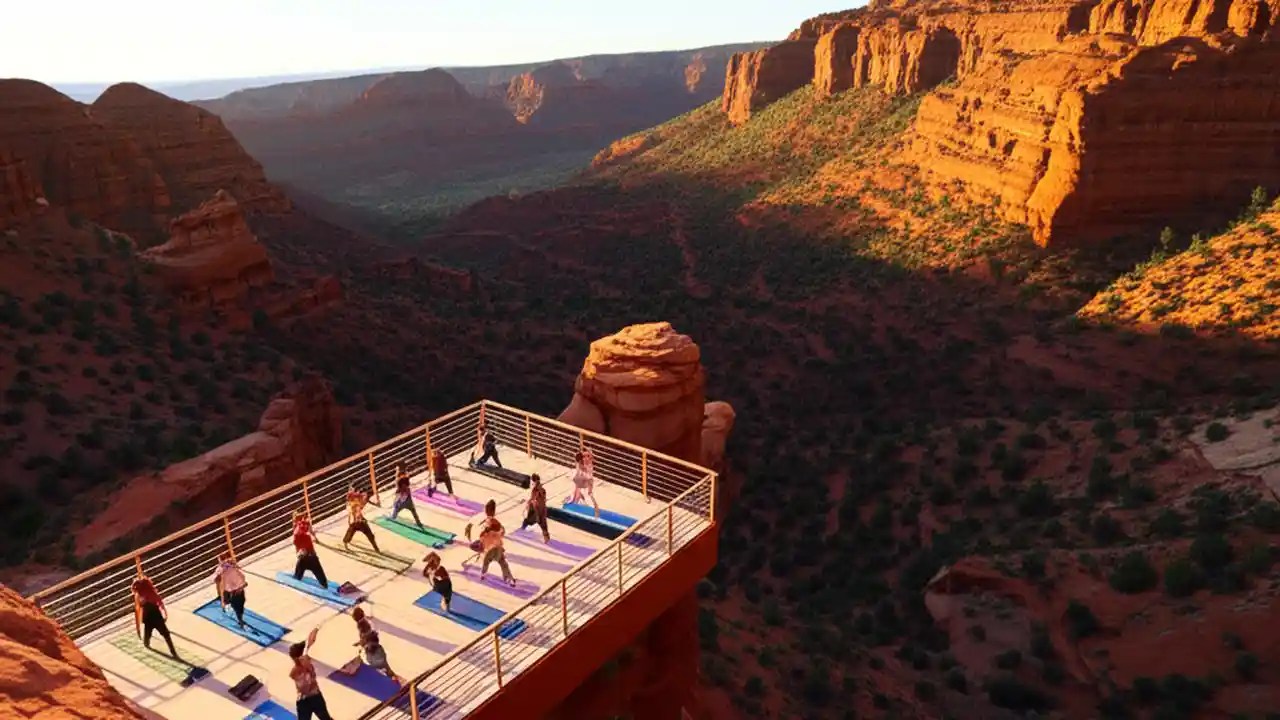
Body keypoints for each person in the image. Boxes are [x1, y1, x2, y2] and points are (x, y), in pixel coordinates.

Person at [290, 628, 333, 720]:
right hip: (313, 697)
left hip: (304, 699)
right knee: (325, 717)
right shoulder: (303, 664)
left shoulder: (295, 670)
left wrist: (314, 631)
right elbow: (309, 642)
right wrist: (315, 630)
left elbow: (308, 643)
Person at [350, 607, 400, 685]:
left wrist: (361, 644)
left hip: (372, 648)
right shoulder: (364, 622)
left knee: (378, 665)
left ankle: (391, 679)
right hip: (374, 645)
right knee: (385, 666)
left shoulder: (361, 625)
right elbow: (366, 635)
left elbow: (365, 636)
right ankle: (393, 678)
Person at [132, 574, 177, 657]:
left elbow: (138, 609)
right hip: (155, 617)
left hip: (149, 618)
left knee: (150, 635)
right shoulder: (149, 593)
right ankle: (173, 651)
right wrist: (164, 614)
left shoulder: (139, 595)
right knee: (166, 635)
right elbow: (160, 603)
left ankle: (148, 644)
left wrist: (138, 626)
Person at [478, 499, 516, 586]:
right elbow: (502, 532)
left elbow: (483, 534)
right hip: (498, 546)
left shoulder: (489, 522)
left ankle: (483, 575)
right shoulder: (497, 523)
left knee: (486, 561)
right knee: (503, 563)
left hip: (491, 548)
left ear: (487, 511)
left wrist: (483, 538)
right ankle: (509, 578)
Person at [292, 510, 330, 589]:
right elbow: (305, 532)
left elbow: (298, 541)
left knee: (297, 577)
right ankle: (324, 584)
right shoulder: (300, 528)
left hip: (305, 557)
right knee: (323, 581)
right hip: (309, 557)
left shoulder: (300, 528)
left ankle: (323, 584)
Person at [343, 484, 381, 553]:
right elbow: (361, 499)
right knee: (368, 534)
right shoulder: (356, 499)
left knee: (350, 532)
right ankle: (376, 548)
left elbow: (360, 499)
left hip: (355, 520)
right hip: (357, 520)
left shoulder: (353, 500)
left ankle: (346, 544)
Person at [213, 553, 248, 628]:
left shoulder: (231, 566)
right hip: (231, 590)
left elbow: (241, 575)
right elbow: (217, 580)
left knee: (240, 604)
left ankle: (239, 618)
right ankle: (240, 620)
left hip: (237, 590)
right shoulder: (221, 569)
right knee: (236, 605)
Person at [567, 448, 600, 517]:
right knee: (577, 493)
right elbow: (578, 463)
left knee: (589, 496)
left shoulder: (589, 464)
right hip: (580, 481)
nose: (585, 458)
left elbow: (587, 474)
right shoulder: (580, 464)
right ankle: (575, 505)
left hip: (587, 482)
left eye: (587, 456)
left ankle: (595, 511)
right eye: (584, 457)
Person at [520, 473, 550, 543]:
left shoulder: (535, 489)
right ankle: (546, 538)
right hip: (542, 508)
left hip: (536, 508)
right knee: (543, 524)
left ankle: (521, 530)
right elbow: (543, 499)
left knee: (529, 521)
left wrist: (528, 503)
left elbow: (533, 498)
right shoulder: (542, 489)